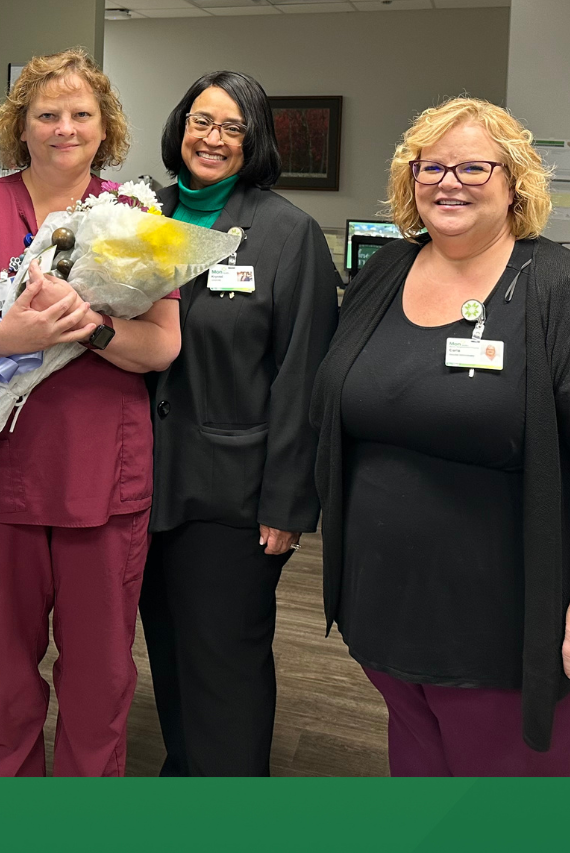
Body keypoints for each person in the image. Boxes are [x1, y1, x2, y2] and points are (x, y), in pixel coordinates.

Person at [308, 97, 570, 776]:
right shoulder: (383, 275)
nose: (449, 181)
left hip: (508, 631)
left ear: (516, 184)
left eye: (475, 166)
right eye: (431, 166)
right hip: (386, 610)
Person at [0, 48, 181, 776]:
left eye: (80, 115)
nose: (63, 127)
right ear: (20, 127)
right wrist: (11, 336)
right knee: (3, 676)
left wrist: (89, 327)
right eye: (46, 114)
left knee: (99, 679)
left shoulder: (140, 217)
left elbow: (161, 346)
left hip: (104, 478)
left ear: (105, 129)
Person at [138, 72, 339, 776]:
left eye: (232, 127)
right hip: (140, 482)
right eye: (201, 121)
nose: (212, 139)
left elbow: (304, 378)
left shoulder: (289, 235)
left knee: (224, 657)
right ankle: (185, 770)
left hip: (233, 493)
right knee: (166, 645)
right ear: (180, 126)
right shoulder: (139, 214)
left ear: (254, 141)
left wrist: (288, 502)